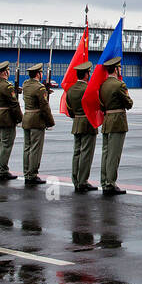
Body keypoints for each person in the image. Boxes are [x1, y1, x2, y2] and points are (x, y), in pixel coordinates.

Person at [98, 56, 131, 196]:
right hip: (117, 122)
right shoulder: (119, 85)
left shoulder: (102, 85)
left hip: (107, 120)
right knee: (114, 154)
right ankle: (110, 183)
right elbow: (129, 104)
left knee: (106, 153)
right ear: (116, 69)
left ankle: (105, 180)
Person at [66, 61, 97, 193]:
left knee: (77, 152)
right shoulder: (88, 89)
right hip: (87, 123)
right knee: (86, 153)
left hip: (76, 122)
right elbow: (95, 106)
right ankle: (83, 180)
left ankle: (76, 179)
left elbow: (70, 110)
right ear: (86, 74)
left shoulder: (71, 90)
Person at [20, 63, 53, 185]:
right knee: (35, 148)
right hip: (36, 120)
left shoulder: (26, 84)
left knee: (27, 147)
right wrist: (50, 122)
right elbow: (44, 106)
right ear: (38, 74)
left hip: (27, 117)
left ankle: (26, 172)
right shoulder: (39, 88)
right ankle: (32, 174)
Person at [0, 61, 21, 180]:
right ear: (4, 72)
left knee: (1, 144)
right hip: (7, 117)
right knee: (6, 144)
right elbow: (14, 104)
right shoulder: (7, 86)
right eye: (8, 70)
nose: (9, 72)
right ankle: (2, 170)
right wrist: (19, 118)